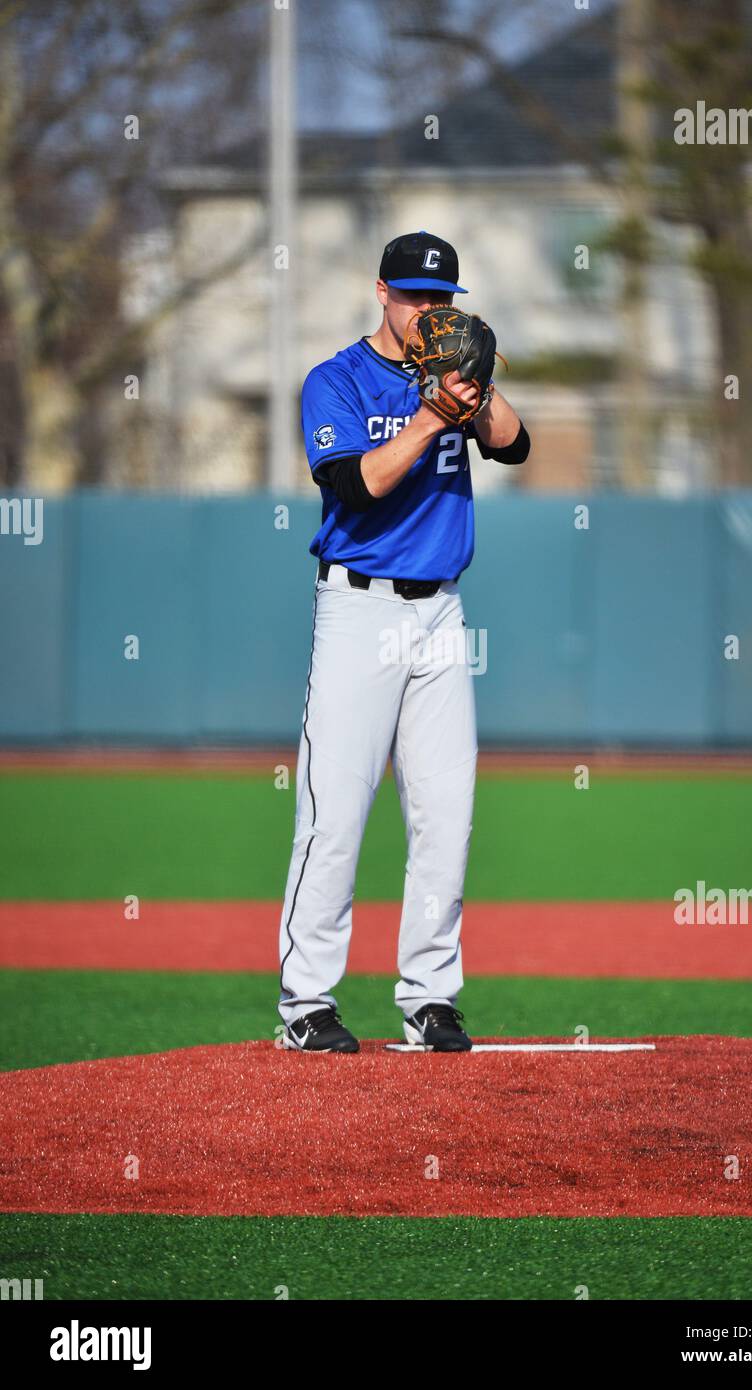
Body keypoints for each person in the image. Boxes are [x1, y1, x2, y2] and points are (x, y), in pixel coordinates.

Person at [277, 230, 530, 1053]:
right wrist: (429, 417)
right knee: (335, 813)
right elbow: (356, 483)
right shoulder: (335, 380)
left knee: (445, 813)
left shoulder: (455, 373)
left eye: (443, 300)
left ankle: (431, 999)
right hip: (361, 610)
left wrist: (476, 393)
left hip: (442, 617)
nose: (431, 312)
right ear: (381, 292)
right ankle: (305, 1005)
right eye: (416, 296)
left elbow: (515, 443)